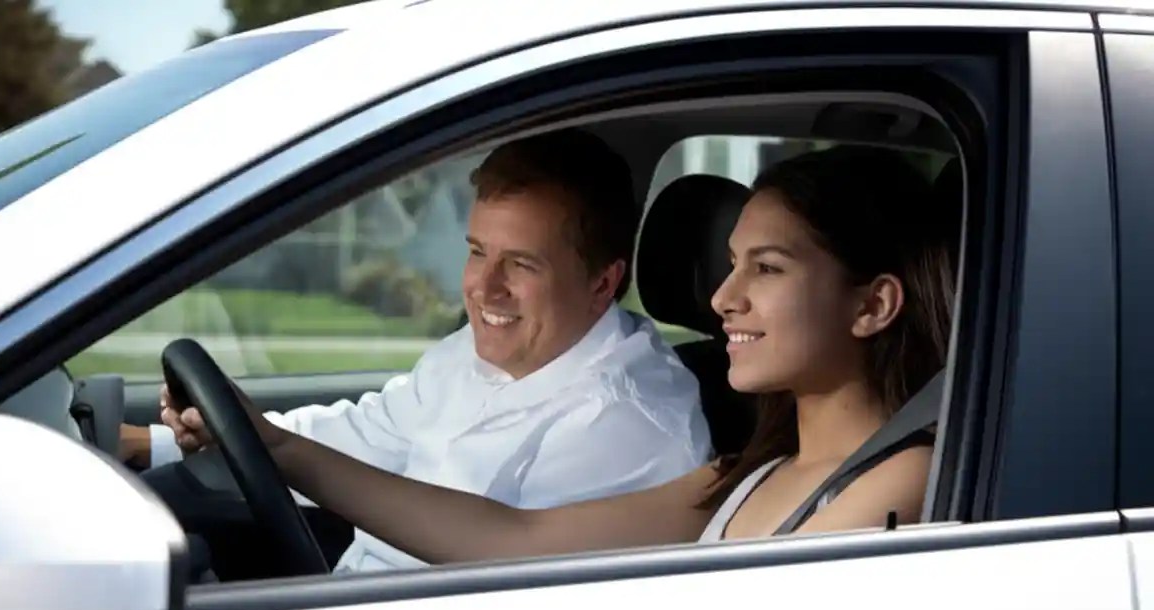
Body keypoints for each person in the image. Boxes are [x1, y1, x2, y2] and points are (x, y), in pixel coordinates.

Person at [163, 144, 955, 563]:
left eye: (767, 269)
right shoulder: (751, 471)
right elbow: (512, 540)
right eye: (732, 262)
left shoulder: (901, 483)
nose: (722, 298)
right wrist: (276, 448)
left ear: (874, 304)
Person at [134, 128, 714, 573]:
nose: (483, 288)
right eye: (478, 251)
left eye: (521, 263)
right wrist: (158, 441)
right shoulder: (482, 351)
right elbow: (366, 433)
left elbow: (509, 581)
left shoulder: (627, 426)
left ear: (602, 284)